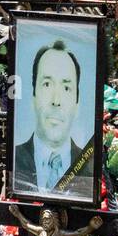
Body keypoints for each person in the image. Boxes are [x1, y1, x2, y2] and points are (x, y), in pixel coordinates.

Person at [13, 39, 93, 198]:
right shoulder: (13, 160)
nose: (56, 100)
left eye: (66, 88)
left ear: (77, 104)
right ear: (33, 97)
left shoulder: (91, 167)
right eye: (47, 84)